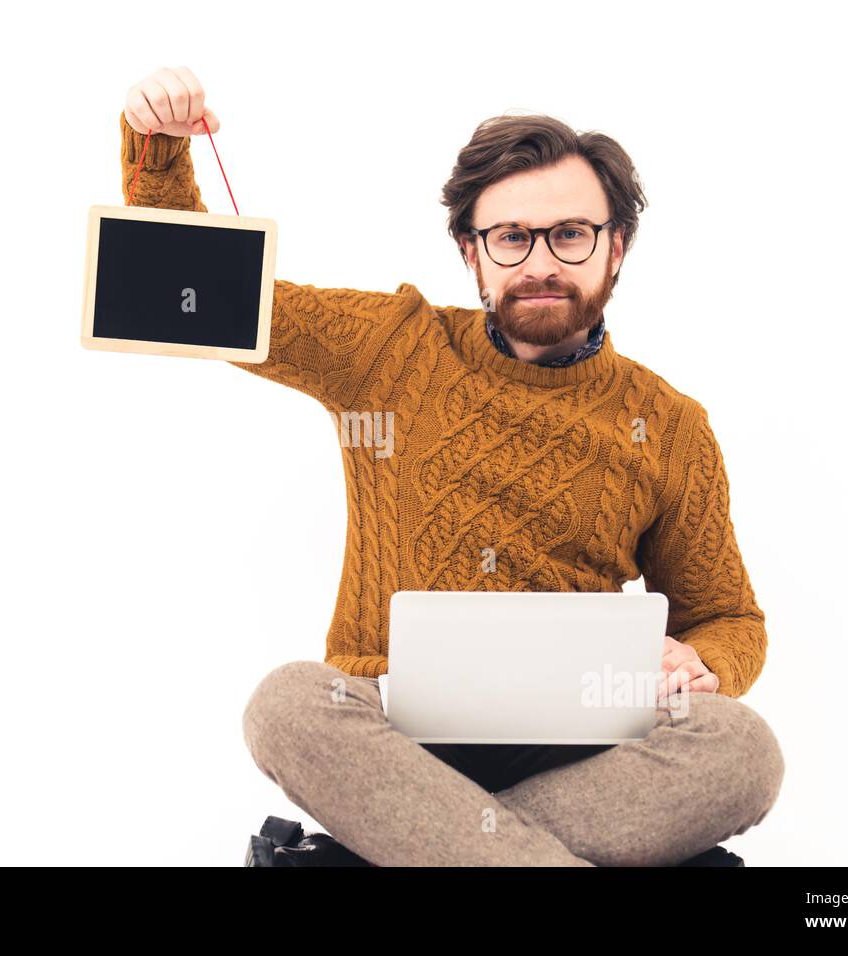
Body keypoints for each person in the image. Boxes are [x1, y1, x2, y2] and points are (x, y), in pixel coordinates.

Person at [120, 66, 785, 866]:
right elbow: (186, 293)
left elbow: (728, 617)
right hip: (396, 733)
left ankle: (402, 853)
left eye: (571, 233)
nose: (541, 262)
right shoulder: (392, 345)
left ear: (618, 245)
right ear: (472, 252)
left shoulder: (671, 425)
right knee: (286, 704)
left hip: (587, 749)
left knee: (741, 747)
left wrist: (706, 661)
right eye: (511, 237)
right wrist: (159, 150)